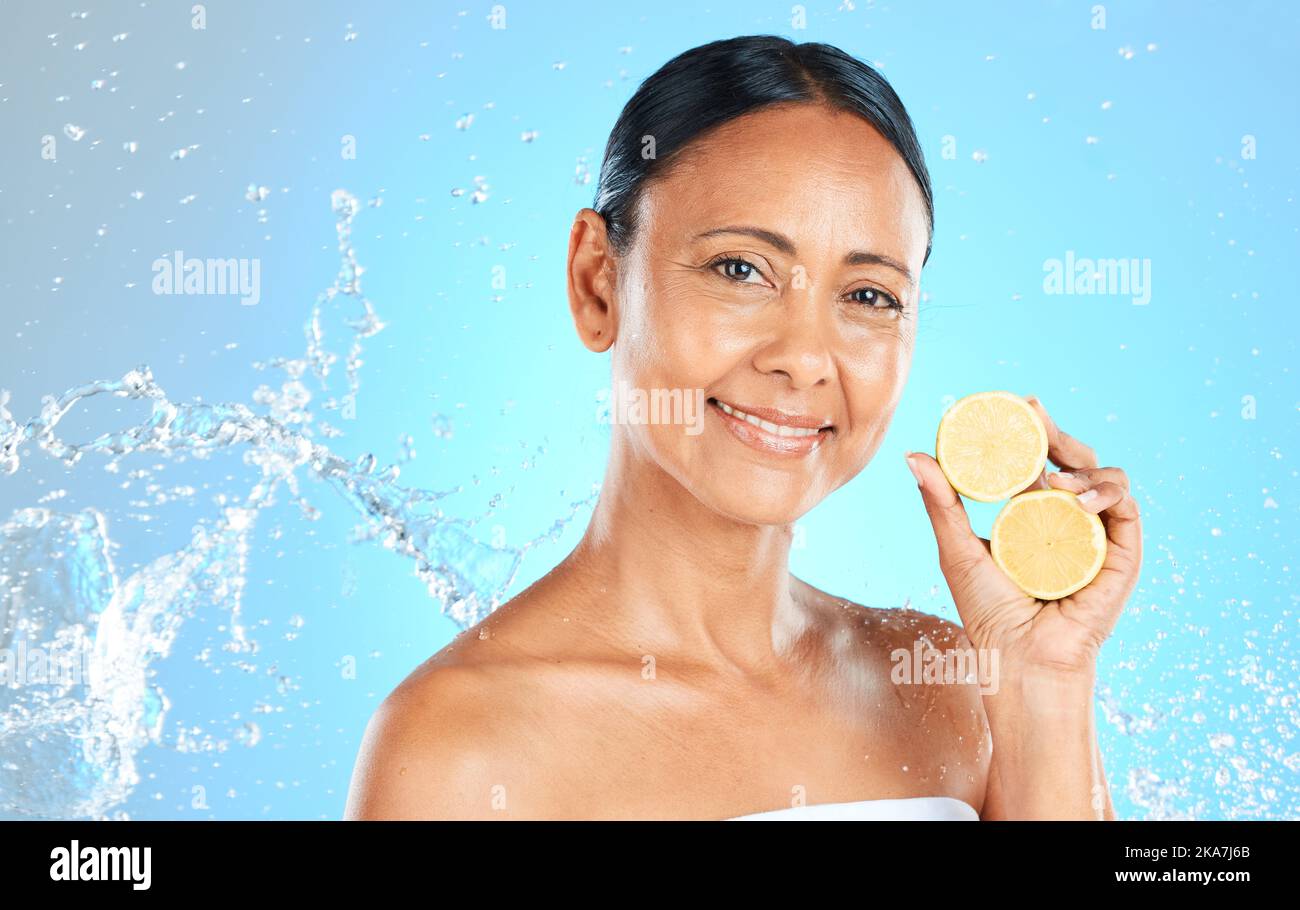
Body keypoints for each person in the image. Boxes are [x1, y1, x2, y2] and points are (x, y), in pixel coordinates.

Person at [344, 34, 1142, 821]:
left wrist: (1046, 690)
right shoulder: (458, 748)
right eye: (740, 270)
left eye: (868, 296)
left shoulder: (947, 683)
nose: (803, 358)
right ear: (597, 282)